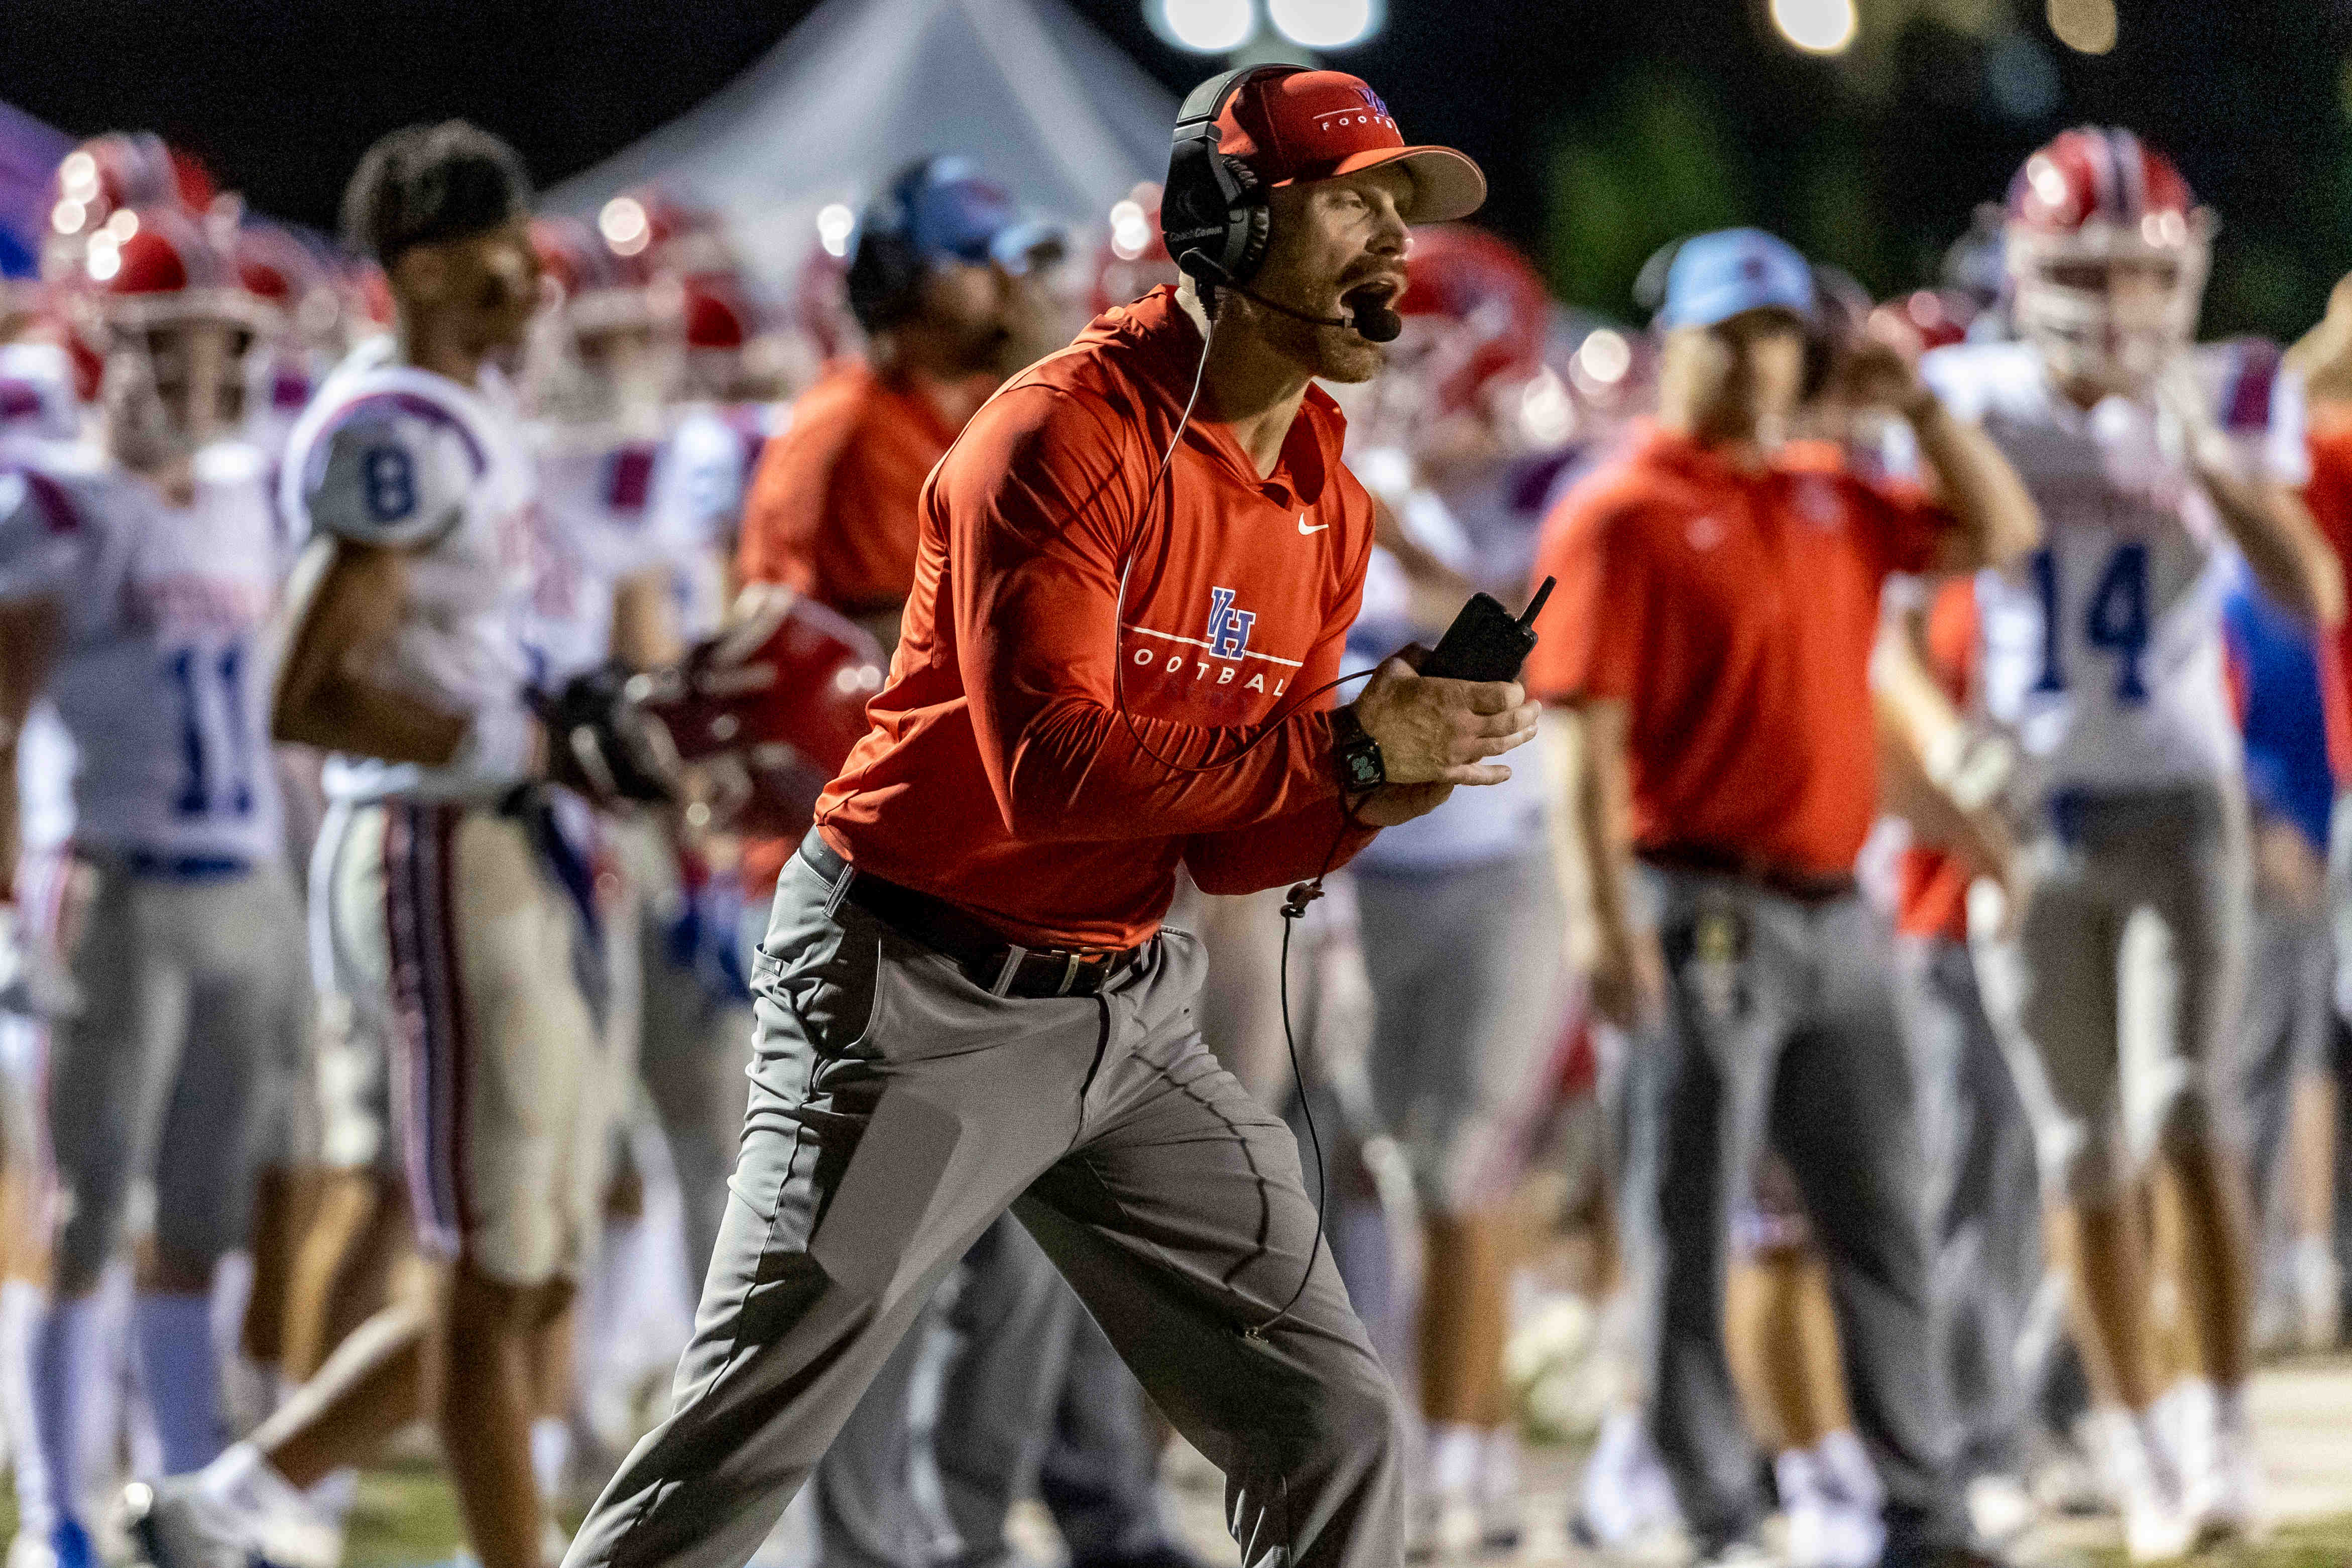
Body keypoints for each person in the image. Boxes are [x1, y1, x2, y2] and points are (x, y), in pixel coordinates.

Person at [563, 63, 1518, 1568]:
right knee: (743, 1443)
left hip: (1124, 998)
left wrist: (1381, 782)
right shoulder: (1059, 432)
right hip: (920, 984)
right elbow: (1054, 772)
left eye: (1401, 209)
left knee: (1331, 1425)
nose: (1394, 242)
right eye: (1349, 204)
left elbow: (1236, 847)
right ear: (1223, 220)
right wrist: (1339, 749)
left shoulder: (1325, 494)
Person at [126, 122, 605, 1568]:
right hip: (433, 844)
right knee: (479, 1267)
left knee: (533, 1264)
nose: (531, 275)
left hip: (499, 836)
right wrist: (496, 740)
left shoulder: (465, 411)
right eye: (500, 248)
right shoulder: (395, 430)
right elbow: (306, 688)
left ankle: (232, 1498)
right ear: (428, 265)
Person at [1532, 224, 2040, 1568]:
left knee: (1882, 1224)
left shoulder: (1824, 491)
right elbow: (1581, 739)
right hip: (1697, 902)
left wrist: (1918, 404)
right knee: (1688, 1227)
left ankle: (1922, 1513)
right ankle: (1716, 1518)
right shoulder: (1619, 509)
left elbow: (2002, 530)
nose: (1759, 361)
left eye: (1778, 337)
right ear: (1678, 345)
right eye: (1732, 334)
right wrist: (1597, 919)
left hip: (1835, 908)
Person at [732, 155, 1195, 1568]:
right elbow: (922, 678)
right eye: (979, 258)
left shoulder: (965, 419)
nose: (1013, 283)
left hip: (985, 893)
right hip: (884, 905)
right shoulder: (853, 435)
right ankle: (860, 1550)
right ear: (898, 282)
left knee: (1022, 1255)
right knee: (876, 1256)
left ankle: (968, 1533)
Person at [1923, 128, 2343, 1559]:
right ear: (2029, 270)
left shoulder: (2227, 391)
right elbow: (1883, 609)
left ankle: (2220, 1430)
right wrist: (1946, 754)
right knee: (2080, 1144)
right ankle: (2133, 1436)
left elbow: (2309, 587)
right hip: (2031, 807)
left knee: (2184, 1112)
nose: (2117, 306)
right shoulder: (1966, 394)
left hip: (2179, 797)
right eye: (2088, 274)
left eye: (2140, 275)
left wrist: (2203, 453)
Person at [0, 205, 308, 1568]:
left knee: (202, 1216)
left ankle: (185, 1497)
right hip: (110, 883)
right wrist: (8, 908)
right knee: (81, 1213)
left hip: (242, 876)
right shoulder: (50, 501)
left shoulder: (249, 489)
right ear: (101, 348)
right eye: (167, 346)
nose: (200, 375)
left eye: (215, 346)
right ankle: (58, 1513)